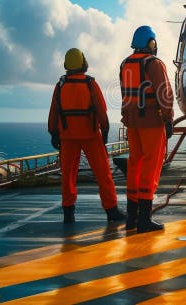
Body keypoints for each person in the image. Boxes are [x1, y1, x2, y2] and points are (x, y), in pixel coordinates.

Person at [48, 48, 125, 224]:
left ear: (66, 65)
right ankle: (111, 210)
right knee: (103, 174)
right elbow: (101, 110)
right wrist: (105, 131)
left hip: (67, 137)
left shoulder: (60, 86)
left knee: (68, 176)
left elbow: (54, 112)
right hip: (91, 136)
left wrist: (53, 133)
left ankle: (68, 213)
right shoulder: (90, 84)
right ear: (84, 63)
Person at [120, 25, 174, 233]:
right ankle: (144, 219)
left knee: (135, 164)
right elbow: (164, 94)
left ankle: (132, 217)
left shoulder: (125, 64)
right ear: (151, 42)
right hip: (151, 122)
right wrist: (168, 120)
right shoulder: (153, 64)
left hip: (132, 123)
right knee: (151, 166)